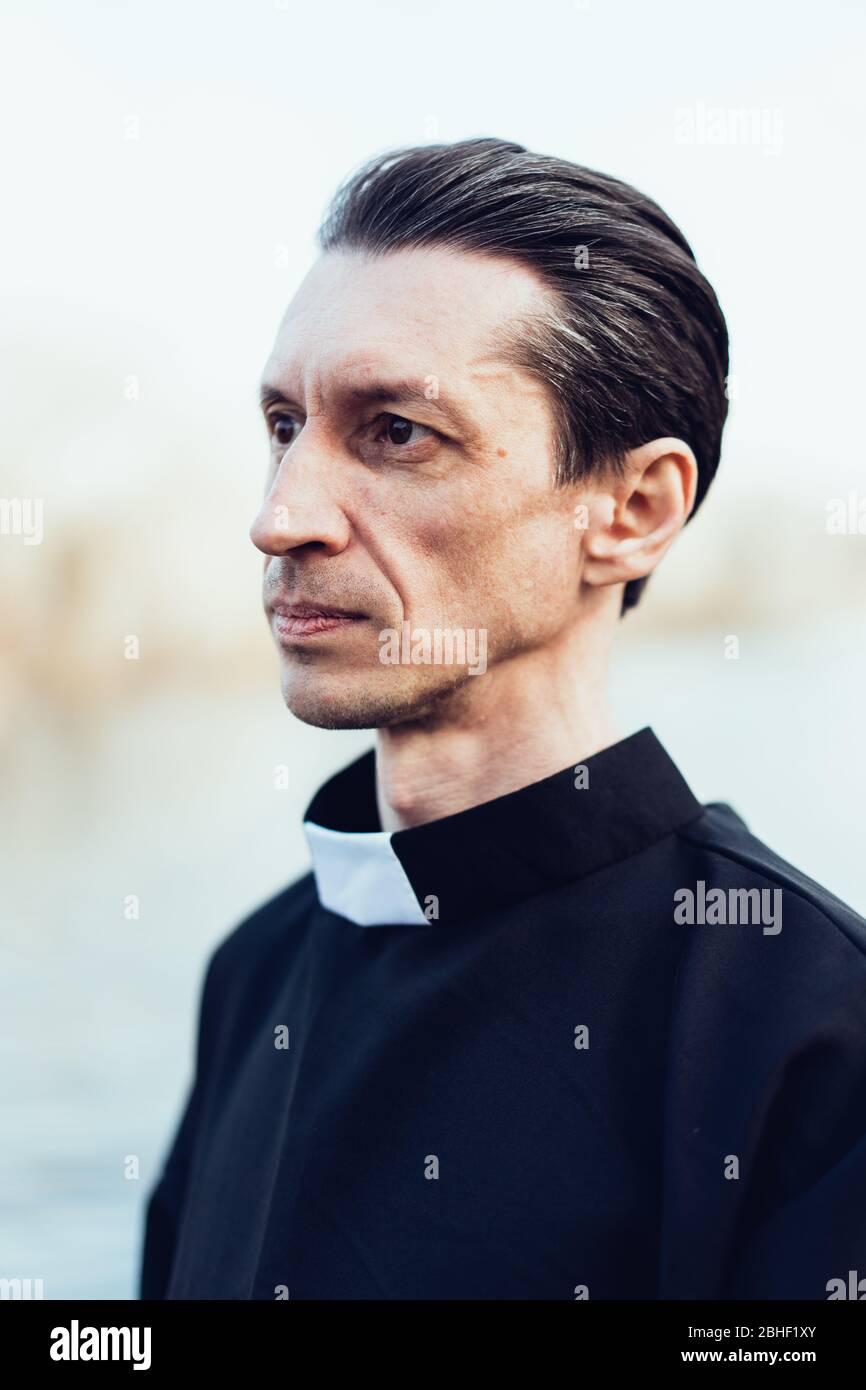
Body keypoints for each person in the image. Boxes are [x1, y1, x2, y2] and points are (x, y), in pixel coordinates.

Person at [140, 137, 866, 1300]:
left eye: (394, 433)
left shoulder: (807, 1024)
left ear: (629, 509)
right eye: (284, 426)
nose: (280, 518)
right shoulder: (256, 969)